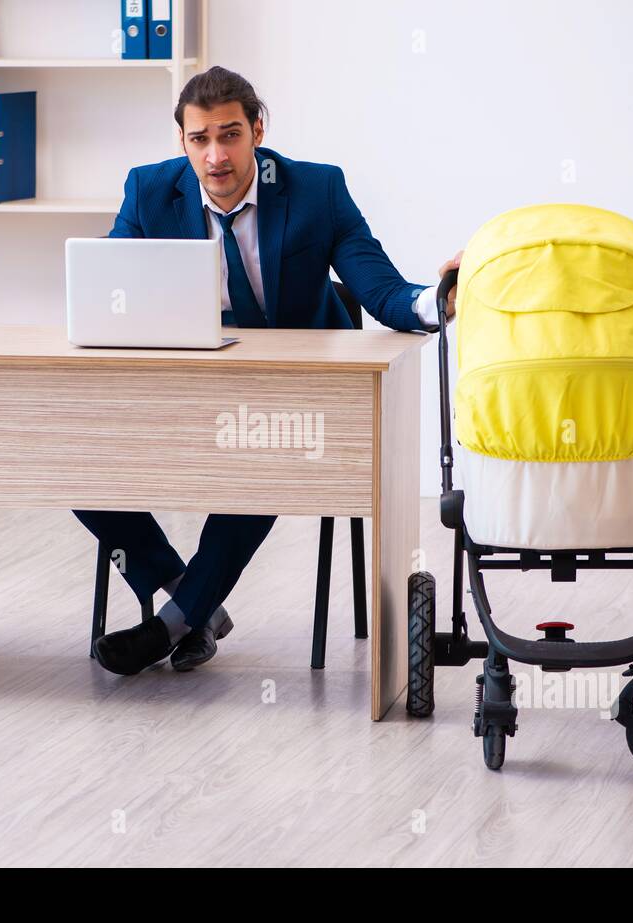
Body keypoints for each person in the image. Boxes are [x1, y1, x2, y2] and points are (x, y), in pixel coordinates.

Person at [81, 65, 459, 676]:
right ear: (182, 141)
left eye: (229, 135)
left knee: (267, 455)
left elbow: (382, 290)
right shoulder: (150, 192)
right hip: (188, 396)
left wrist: (439, 298)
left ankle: (170, 624)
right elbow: (113, 296)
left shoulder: (317, 191)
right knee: (73, 459)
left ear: (258, 129)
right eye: (199, 139)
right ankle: (189, 595)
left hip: (297, 400)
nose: (215, 156)